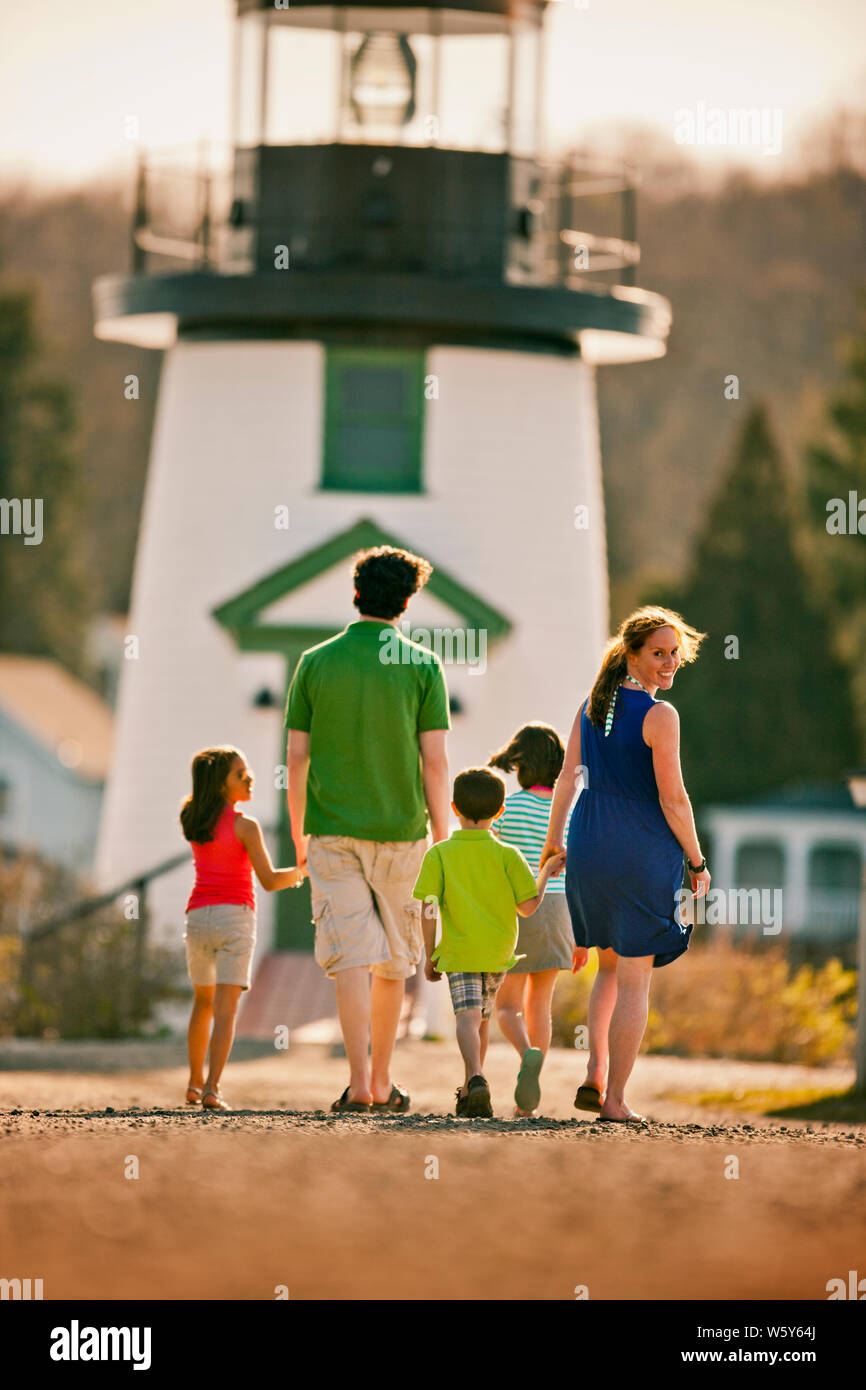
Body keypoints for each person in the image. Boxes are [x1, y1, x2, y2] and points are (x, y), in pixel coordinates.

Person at [285, 546, 451, 1115]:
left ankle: (357, 1083)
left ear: (356, 593)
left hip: (330, 831)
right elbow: (435, 763)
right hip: (403, 833)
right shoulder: (424, 666)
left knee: (350, 957)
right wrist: (443, 838)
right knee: (393, 965)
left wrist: (297, 834)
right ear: (407, 601)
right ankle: (383, 1081)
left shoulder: (313, 662)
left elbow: (297, 757)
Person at [541, 607, 710, 1124]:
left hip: (590, 842)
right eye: (658, 653)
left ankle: (594, 1070)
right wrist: (698, 861)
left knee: (608, 967)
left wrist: (555, 845)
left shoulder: (592, 705)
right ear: (632, 654)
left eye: (675, 654)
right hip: (639, 850)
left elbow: (568, 778)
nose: (669, 663)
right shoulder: (662, 716)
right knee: (635, 977)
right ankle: (614, 1100)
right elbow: (674, 800)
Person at [413, 768, 567, 1118]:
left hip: (460, 951)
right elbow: (528, 908)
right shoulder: (508, 855)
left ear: (454, 807)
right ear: (499, 812)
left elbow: (428, 907)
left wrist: (429, 953)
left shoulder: (440, 853)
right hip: (499, 954)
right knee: (481, 1020)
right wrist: (544, 873)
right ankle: (471, 1091)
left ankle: (476, 1077)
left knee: (467, 1018)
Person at [180, 746, 306, 1111]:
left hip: (197, 918)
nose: (249, 777)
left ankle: (193, 1082)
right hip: (234, 919)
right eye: (240, 773)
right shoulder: (245, 826)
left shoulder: (192, 818)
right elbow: (268, 881)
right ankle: (212, 1089)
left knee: (202, 1004)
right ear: (221, 783)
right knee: (226, 1009)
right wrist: (302, 871)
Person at [487, 723, 576, 1116]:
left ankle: (526, 1056)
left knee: (507, 1006)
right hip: (561, 912)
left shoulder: (508, 807)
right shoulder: (567, 810)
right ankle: (530, 1097)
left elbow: (493, 862)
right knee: (541, 1004)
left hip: (520, 911)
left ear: (519, 764)